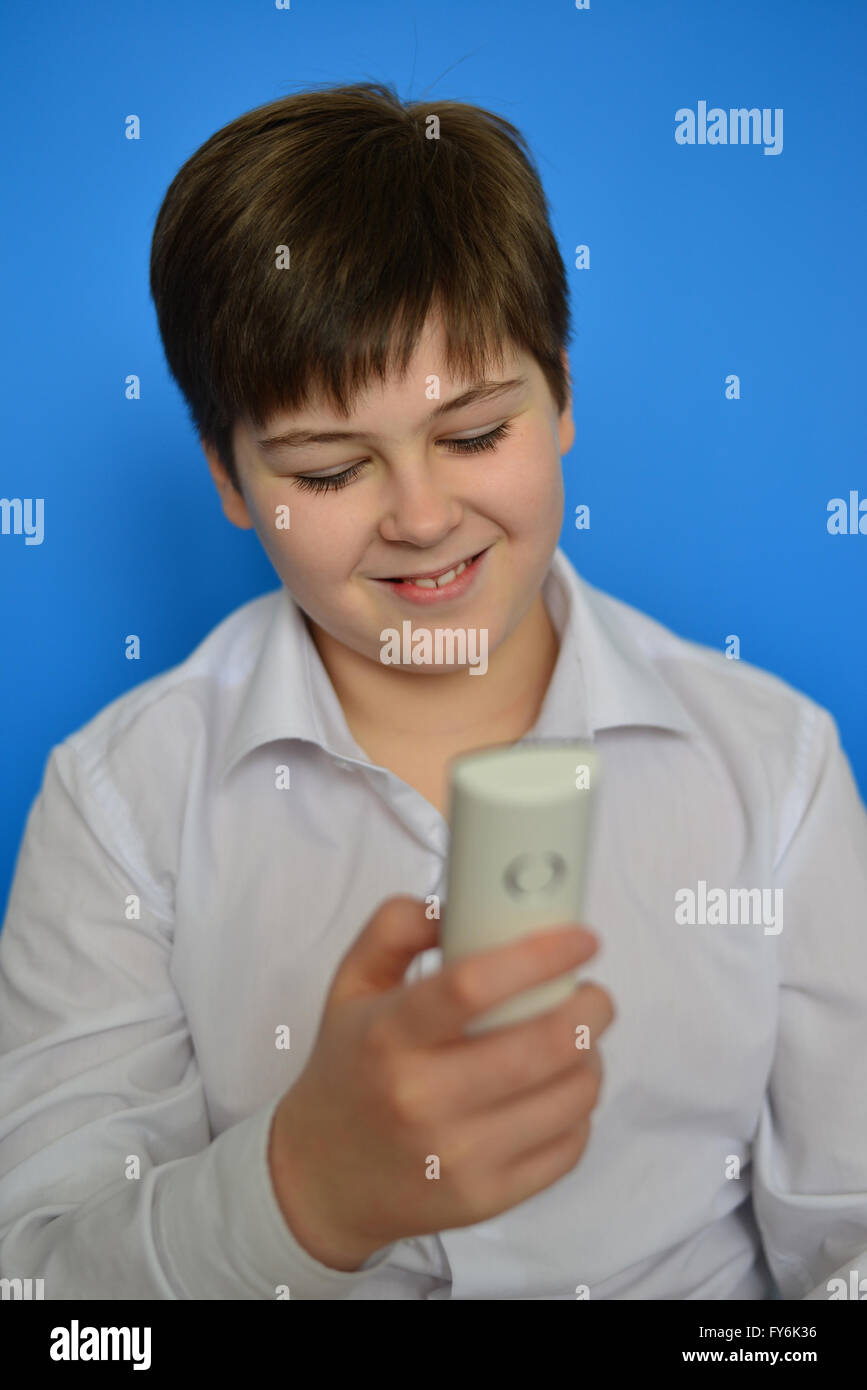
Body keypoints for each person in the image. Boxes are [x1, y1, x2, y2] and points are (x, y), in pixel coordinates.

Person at [1, 81, 866, 1302]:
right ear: (232, 479)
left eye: (471, 436)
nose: (420, 517)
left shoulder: (773, 766)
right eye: (332, 466)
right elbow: (46, 1298)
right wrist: (302, 1189)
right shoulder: (118, 802)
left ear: (559, 397)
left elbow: (849, 1232)